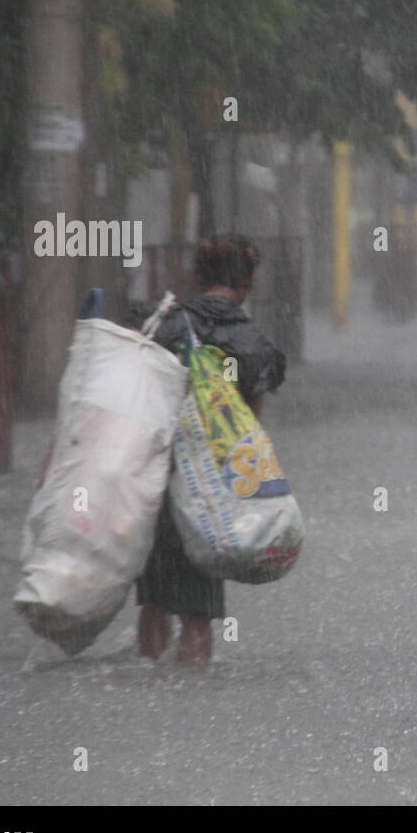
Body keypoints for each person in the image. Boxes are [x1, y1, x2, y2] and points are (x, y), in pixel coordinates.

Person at [126, 234, 287, 665]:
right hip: (210, 492)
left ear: (197, 275)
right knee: (198, 612)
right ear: (249, 282)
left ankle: (146, 684)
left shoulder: (164, 325)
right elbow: (247, 430)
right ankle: (192, 694)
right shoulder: (253, 343)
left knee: (154, 601)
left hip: (158, 473)